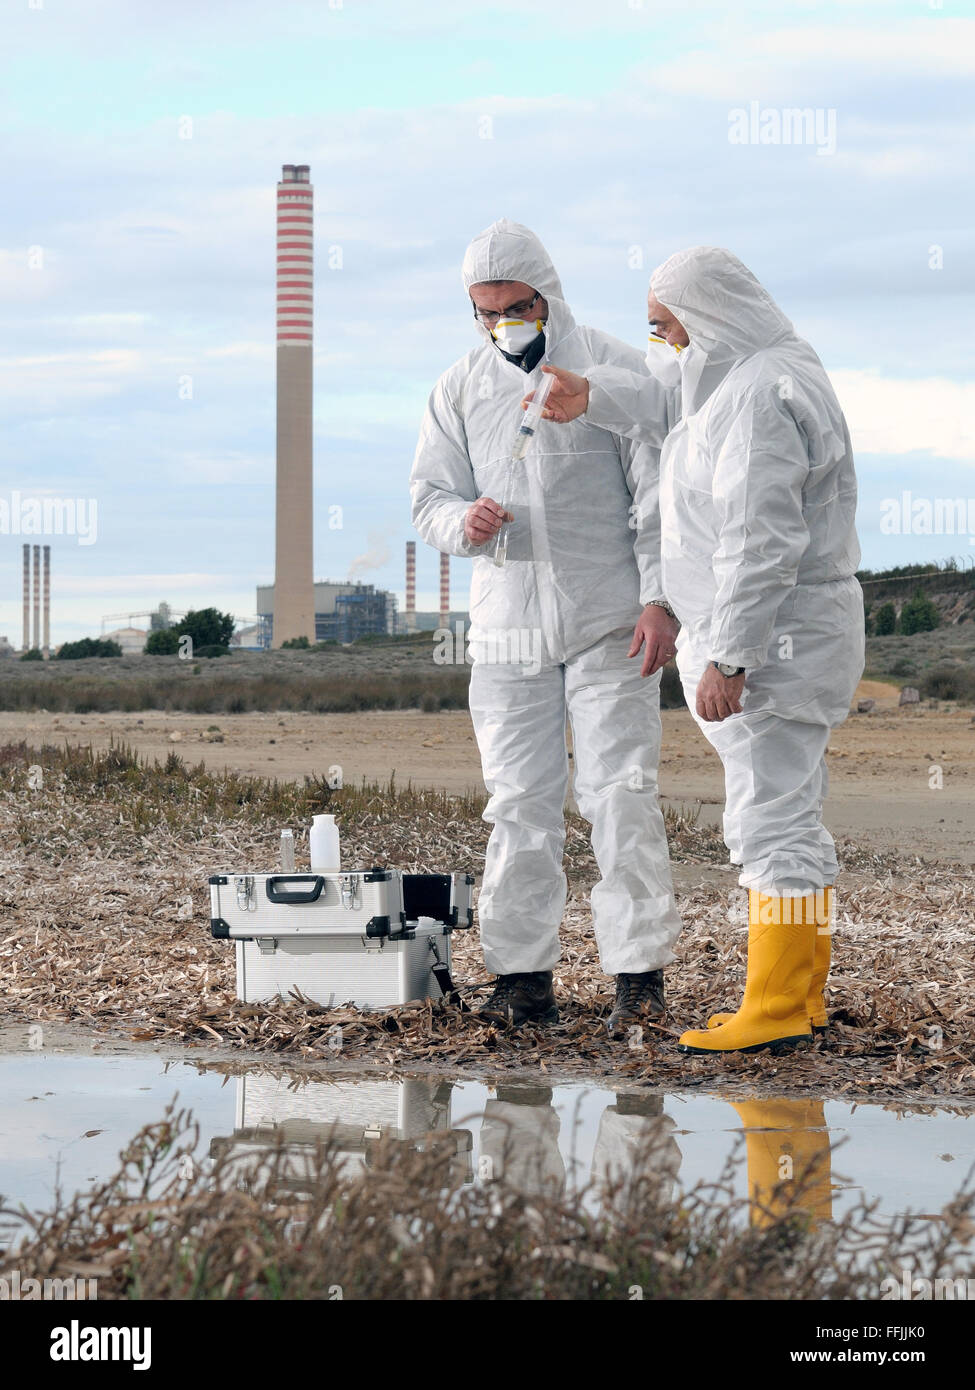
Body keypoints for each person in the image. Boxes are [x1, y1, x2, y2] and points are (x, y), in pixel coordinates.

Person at [533, 246, 864, 1054]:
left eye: (666, 327)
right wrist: (593, 395)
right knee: (790, 814)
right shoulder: (749, 375)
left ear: (707, 316)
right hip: (787, 637)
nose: (663, 346)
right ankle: (800, 1000)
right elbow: (665, 404)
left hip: (772, 644)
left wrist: (732, 655)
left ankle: (778, 1010)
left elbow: (761, 538)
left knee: (768, 822)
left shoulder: (756, 396)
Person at [410, 218, 683, 1034]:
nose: (502, 326)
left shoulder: (611, 368)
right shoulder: (458, 387)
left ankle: (637, 978)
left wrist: (661, 598)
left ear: (547, 294)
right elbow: (428, 499)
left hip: (609, 621)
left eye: (515, 308)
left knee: (621, 797)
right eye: (484, 312)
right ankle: (522, 981)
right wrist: (466, 524)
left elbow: (657, 495)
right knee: (519, 804)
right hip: (506, 631)